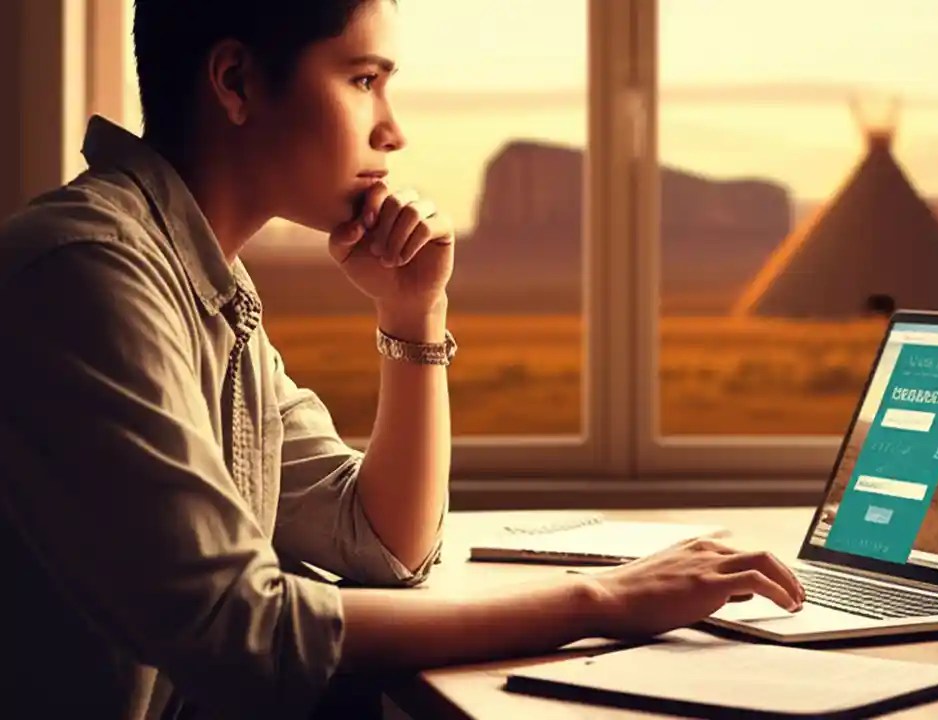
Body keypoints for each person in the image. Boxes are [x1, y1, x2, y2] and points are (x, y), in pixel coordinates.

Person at [0, 1, 804, 718]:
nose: (393, 130)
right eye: (362, 80)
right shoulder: (87, 271)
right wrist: (595, 599)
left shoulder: (203, 284)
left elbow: (386, 543)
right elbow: (239, 630)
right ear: (236, 80)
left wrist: (413, 313)